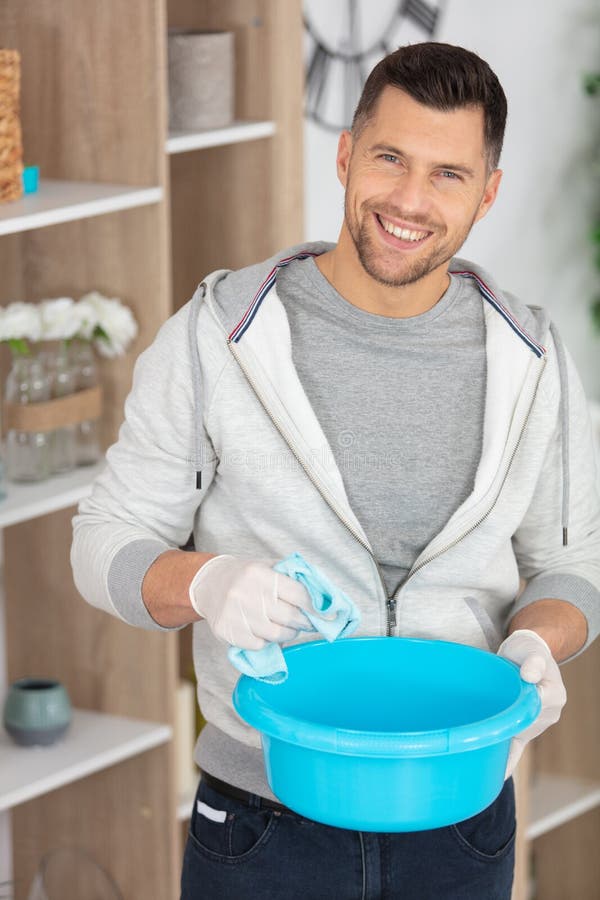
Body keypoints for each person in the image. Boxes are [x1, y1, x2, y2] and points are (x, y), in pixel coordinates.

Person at [71, 42, 599, 900]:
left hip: (461, 821)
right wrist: (208, 583)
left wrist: (542, 640)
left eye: (448, 175)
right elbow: (102, 544)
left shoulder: (531, 357)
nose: (409, 201)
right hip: (262, 821)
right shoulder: (221, 334)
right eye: (390, 158)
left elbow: (573, 567)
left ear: (488, 192)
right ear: (347, 154)